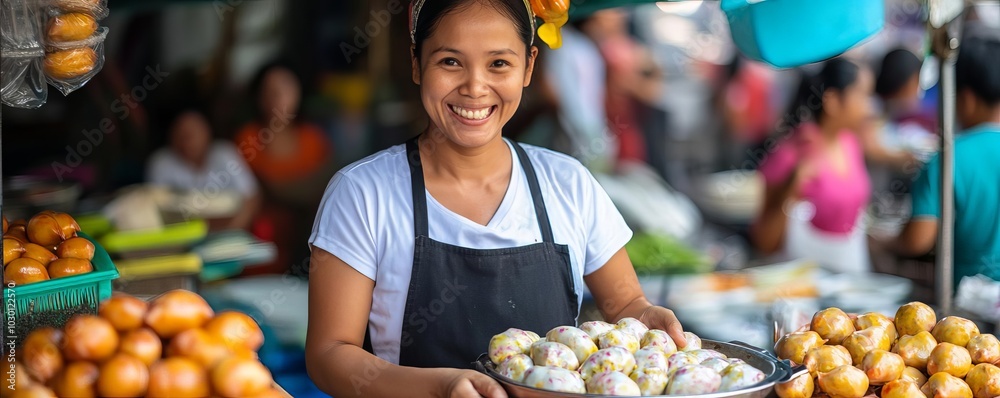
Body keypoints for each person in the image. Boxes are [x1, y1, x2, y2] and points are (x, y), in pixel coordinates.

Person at [305, 1, 687, 396]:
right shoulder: (363, 193)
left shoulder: (568, 183)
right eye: (450, 62)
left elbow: (625, 304)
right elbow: (329, 353)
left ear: (529, 66)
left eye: (499, 64)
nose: (474, 86)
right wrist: (440, 387)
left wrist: (646, 318)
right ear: (417, 64)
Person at [891, 34, 1000, 285]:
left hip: (967, 312)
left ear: (965, 98)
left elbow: (917, 240)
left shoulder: (948, 158)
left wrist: (882, 243)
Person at [750, 58, 875, 273]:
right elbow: (764, 243)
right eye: (862, 95)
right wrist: (791, 186)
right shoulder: (790, 155)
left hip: (852, 285)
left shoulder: (851, 144)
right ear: (833, 101)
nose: (869, 108)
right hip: (801, 294)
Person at [235, 62, 336, 275]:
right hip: (260, 245)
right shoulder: (249, 139)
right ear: (259, 97)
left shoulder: (314, 140)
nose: (278, 98)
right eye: (270, 91)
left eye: (285, 90)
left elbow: (326, 189)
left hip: (308, 242)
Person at [146, 109, 261, 230]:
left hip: (228, 231)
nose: (187, 140)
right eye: (182, 134)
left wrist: (232, 229)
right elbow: (155, 206)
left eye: (193, 133)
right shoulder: (160, 163)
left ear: (207, 133)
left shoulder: (225, 153)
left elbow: (251, 196)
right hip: (180, 233)